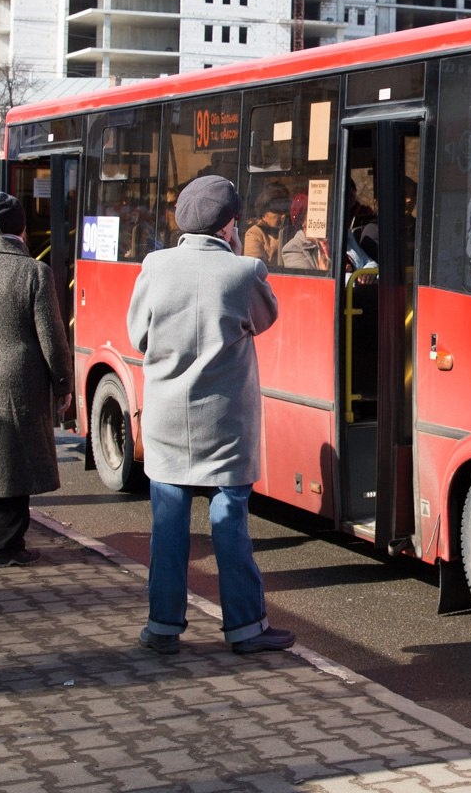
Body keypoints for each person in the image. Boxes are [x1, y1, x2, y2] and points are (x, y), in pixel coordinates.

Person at [126, 174, 293, 656]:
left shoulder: (155, 266)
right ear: (230, 225)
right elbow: (264, 320)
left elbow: (139, 335)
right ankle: (245, 628)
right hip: (225, 423)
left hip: (167, 419)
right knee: (230, 519)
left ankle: (162, 627)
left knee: (168, 522)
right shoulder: (245, 271)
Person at [0, 193, 74, 568]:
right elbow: (51, 336)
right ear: (21, 228)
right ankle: (6, 548)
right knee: (14, 466)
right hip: (18, 381)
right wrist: (63, 384)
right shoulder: (34, 272)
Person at [242, 186, 292, 267]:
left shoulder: (288, 231)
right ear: (264, 214)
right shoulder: (254, 233)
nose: (283, 216)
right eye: (277, 211)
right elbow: (255, 266)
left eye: (285, 211)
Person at [279, 192, 329, 271]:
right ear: (302, 220)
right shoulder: (292, 249)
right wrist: (325, 273)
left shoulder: (333, 240)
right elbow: (304, 282)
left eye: (323, 211)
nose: (322, 217)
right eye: (315, 213)